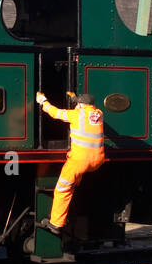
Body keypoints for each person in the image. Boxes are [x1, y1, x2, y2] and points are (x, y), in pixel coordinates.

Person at [35, 90, 105, 235]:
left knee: (62, 190)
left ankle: (56, 224)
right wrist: (74, 98)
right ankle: (75, 183)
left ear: (80, 105)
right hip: (97, 160)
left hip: (80, 161)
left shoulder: (76, 115)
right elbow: (85, 109)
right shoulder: (99, 114)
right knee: (74, 179)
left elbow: (55, 113)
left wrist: (43, 101)